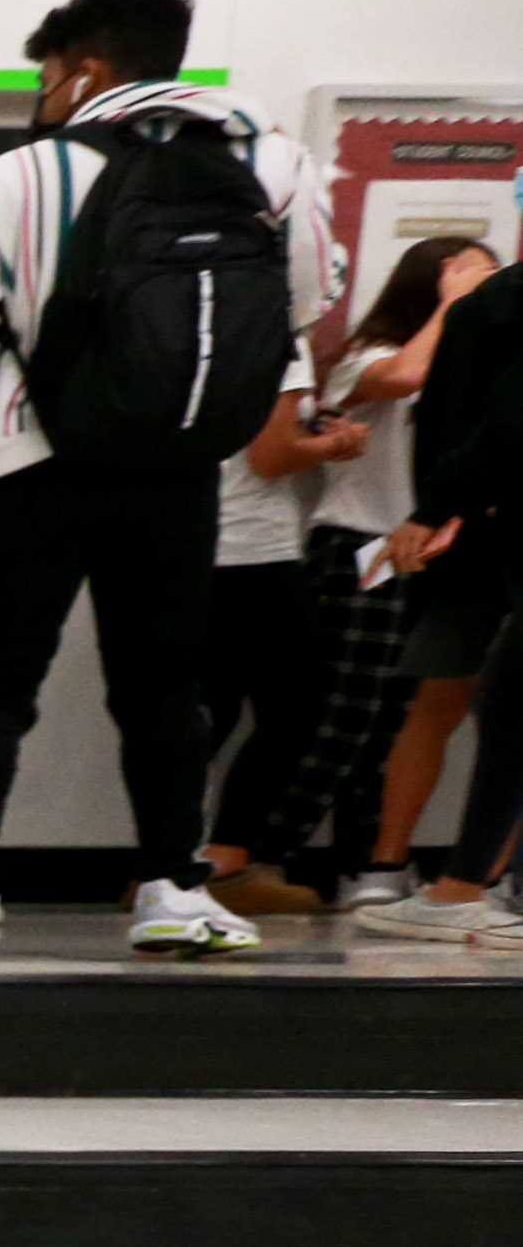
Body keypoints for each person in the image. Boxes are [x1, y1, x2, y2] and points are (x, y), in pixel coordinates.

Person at [0, 0, 332, 961]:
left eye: (46, 75)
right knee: (164, 687)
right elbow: (303, 303)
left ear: (84, 69)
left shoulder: (18, 177)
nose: (42, 95)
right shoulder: (277, 164)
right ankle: (171, 888)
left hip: (29, 461)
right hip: (179, 467)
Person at [308, 237, 497, 906]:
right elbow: (403, 379)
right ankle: (274, 857)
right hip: (364, 547)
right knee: (345, 719)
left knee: (407, 717)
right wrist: (454, 306)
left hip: (438, 551)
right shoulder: (364, 357)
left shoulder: (478, 361)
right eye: (477, 277)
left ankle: (374, 864)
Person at [353, 251, 523, 945]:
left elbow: (500, 422)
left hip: (487, 516)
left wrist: (436, 506)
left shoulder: (495, 303)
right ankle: (456, 886)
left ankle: (459, 889)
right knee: (495, 699)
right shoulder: (492, 303)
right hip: (488, 523)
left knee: (506, 703)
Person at [184, 387, 371, 908]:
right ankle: (223, 863)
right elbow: (269, 457)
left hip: (212, 541)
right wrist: (340, 443)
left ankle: (170, 863)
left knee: (211, 709)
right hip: (253, 552)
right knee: (294, 711)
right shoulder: (283, 352)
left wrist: (315, 423)